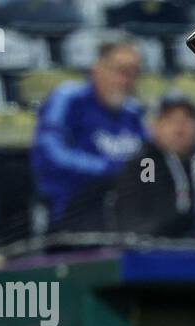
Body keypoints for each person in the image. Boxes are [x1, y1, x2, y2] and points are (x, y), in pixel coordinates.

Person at [32, 38, 148, 231]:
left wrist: (147, 177)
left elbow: (149, 159)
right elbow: (49, 153)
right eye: (120, 71)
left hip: (124, 207)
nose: (127, 80)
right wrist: (110, 169)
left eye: (134, 73)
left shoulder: (133, 113)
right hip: (73, 206)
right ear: (98, 68)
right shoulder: (68, 99)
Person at [111, 93, 195, 238]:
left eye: (186, 120)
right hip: (156, 246)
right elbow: (142, 214)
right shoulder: (146, 163)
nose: (179, 128)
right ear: (154, 127)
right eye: (170, 120)